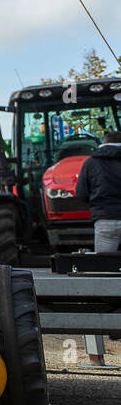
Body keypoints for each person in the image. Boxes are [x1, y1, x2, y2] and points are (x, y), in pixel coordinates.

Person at [74, 130, 121, 366]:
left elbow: (81, 193)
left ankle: (111, 318)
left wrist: (98, 204)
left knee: (106, 269)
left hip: (105, 220)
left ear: (103, 143)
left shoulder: (91, 162)